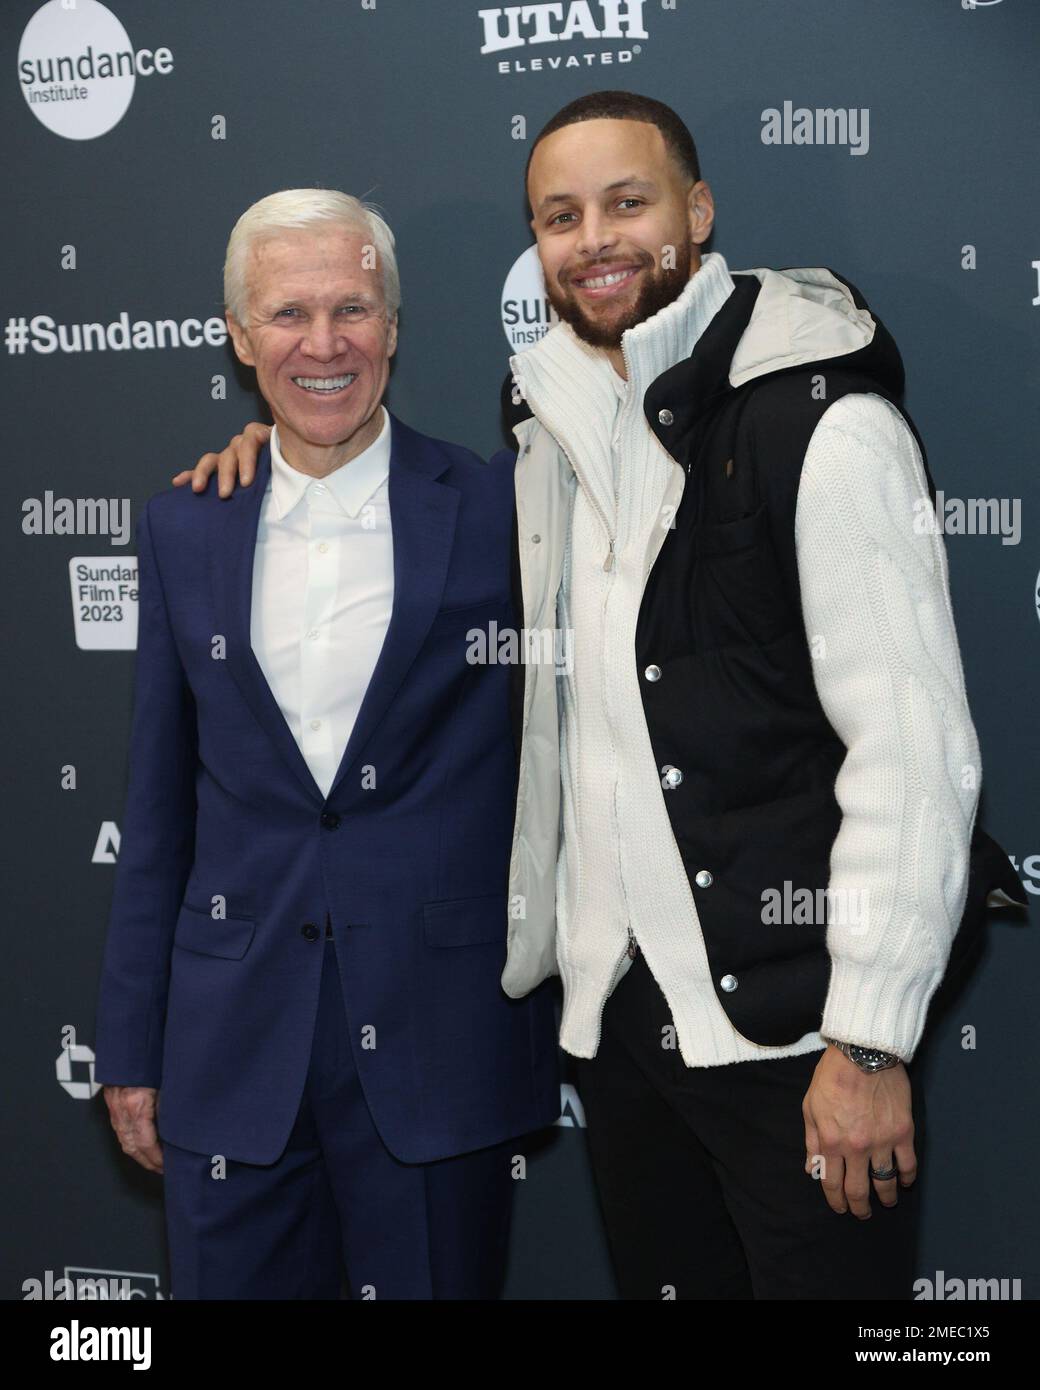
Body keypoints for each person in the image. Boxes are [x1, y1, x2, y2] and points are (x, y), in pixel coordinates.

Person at [179, 95, 1023, 1300]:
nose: (595, 239)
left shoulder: (822, 427)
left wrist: (870, 1039)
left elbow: (913, 750)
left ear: (696, 209)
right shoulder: (550, 431)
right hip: (627, 1039)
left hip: (801, 1046)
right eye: (560, 216)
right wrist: (278, 464)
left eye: (626, 202)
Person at [94, 188, 560, 1301]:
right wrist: (131, 1046)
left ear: (394, 327)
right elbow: (157, 808)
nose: (322, 343)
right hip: (230, 1047)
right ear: (238, 336)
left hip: (439, 1042)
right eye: (287, 314)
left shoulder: (506, 511)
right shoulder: (183, 524)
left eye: (351, 308)